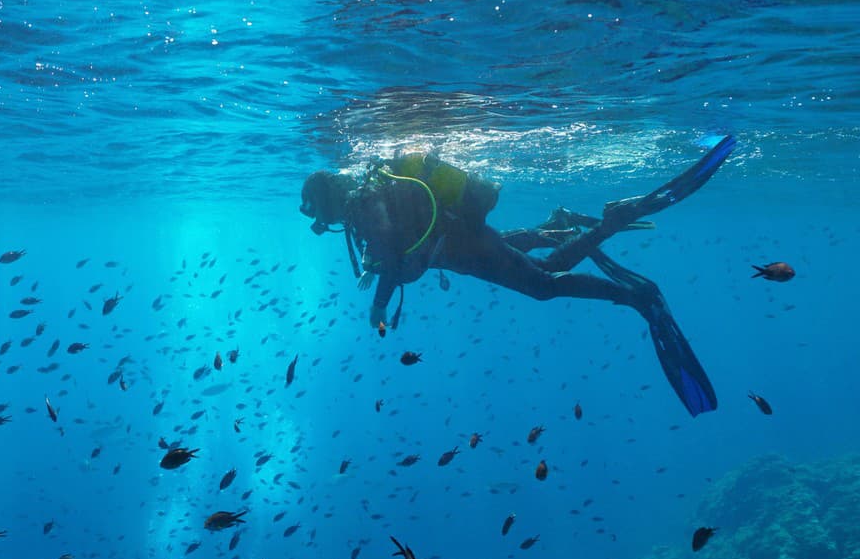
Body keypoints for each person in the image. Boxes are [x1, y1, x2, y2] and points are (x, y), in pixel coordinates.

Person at [298, 136, 736, 416]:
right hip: (465, 244)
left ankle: (631, 280)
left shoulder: (364, 207)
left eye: (317, 211)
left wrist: (377, 303)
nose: (322, 220)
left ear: (327, 201)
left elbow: (396, 262)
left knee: (544, 284)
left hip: (465, 248)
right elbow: (407, 250)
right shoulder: (372, 195)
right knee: (535, 267)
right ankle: (560, 226)